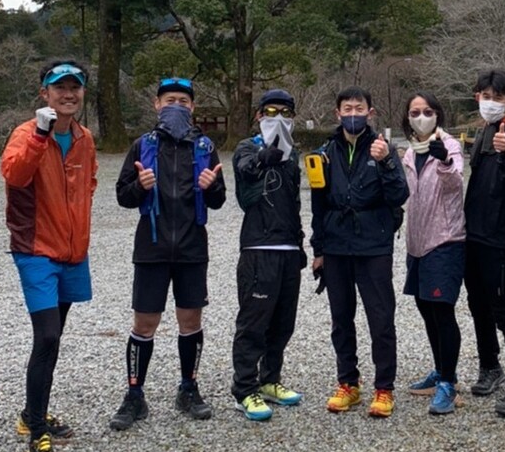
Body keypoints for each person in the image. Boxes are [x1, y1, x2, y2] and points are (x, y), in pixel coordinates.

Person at [111, 76, 226, 431]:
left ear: (192, 108)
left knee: (190, 321)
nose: (176, 106)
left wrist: (212, 187)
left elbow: (219, 201)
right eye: (169, 100)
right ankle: (134, 394)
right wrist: (138, 185)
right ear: (156, 104)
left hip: (192, 247)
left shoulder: (204, 147)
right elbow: (122, 196)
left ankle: (188, 388)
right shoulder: (141, 145)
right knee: (145, 323)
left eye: (183, 101)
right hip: (152, 247)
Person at [1, 60, 98, 452]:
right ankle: (36, 432)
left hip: (73, 252)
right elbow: (15, 174)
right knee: (48, 337)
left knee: (54, 336)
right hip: (36, 250)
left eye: (74, 88)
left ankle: (31, 412)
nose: (68, 94)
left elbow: (89, 182)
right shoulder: (26, 134)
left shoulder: (84, 138)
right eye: (59, 88)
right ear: (44, 93)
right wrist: (40, 135)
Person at [310, 86, 409, 419]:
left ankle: (384, 387)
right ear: (337, 114)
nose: (353, 113)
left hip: (374, 244)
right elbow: (318, 204)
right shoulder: (325, 152)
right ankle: (348, 382)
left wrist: (385, 164)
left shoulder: (384, 148)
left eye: (359, 107)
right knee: (341, 318)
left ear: (371, 112)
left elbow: (399, 195)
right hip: (337, 245)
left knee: (380, 317)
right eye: (347, 108)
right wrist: (318, 248)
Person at [229, 88, 305, 422]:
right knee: (253, 321)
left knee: (282, 322)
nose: (278, 118)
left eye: (285, 112)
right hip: (259, 247)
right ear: (259, 115)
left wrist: (301, 243)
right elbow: (244, 174)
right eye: (270, 111)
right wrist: (263, 158)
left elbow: (296, 202)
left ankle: (270, 378)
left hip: (288, 247)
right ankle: (245, 388)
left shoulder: (294, 153)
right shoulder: (248, 146)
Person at [463, 67, 505, 417]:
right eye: (485, 96)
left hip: (499, 240)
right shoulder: (483, 132)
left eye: (498, 98)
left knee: (504, 309)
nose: (490, 103)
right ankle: (490, 365)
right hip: (472, 235)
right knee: (477, 304)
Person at [400, 92, 465, 417]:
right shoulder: (410, 152)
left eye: (427, 111)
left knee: (442, 310)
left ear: (438, 113)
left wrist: (444, 161)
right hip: (417, 243)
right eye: (415, 112)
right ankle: (439, 370)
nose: (421, 116)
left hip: (445, 240)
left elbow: (455, 184)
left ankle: (449, 384)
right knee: (425, 307)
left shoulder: (449, 146)